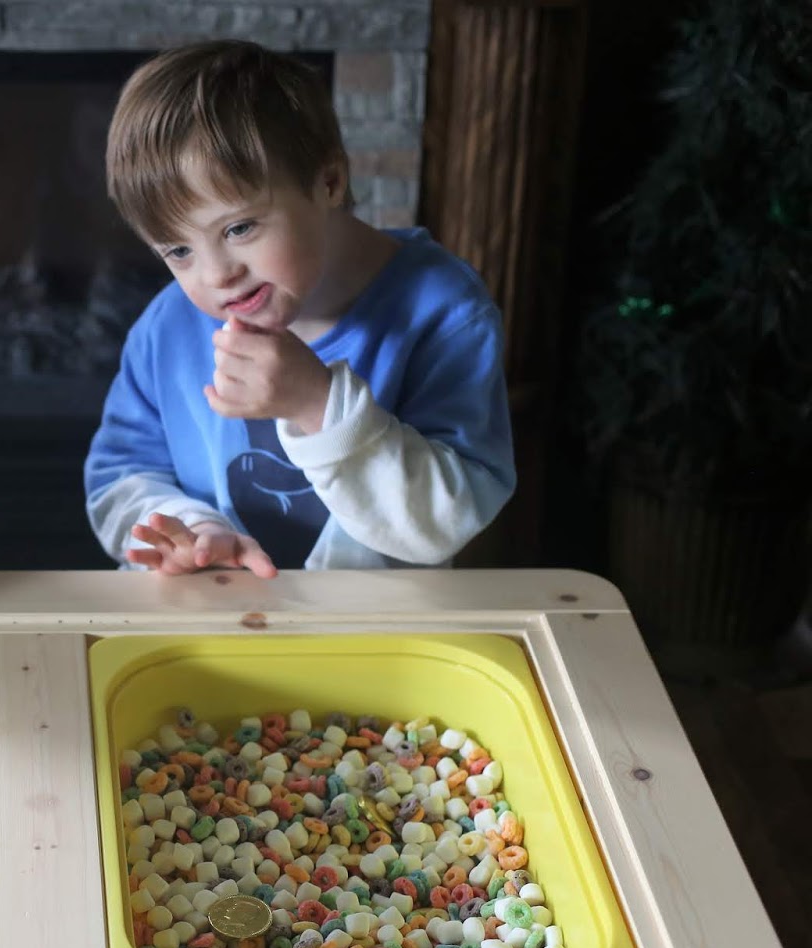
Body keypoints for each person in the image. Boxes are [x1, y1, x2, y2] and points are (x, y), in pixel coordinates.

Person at [85, 40, 515, 576]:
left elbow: (449, 521)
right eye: (178, 251)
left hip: (375, 640)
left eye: (239, 228)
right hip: (211, 622)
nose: (217, 275)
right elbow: (120, 477)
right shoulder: (168, 327)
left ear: (329, 182)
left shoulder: (443, 312)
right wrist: (194, 532)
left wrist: (319, 406)